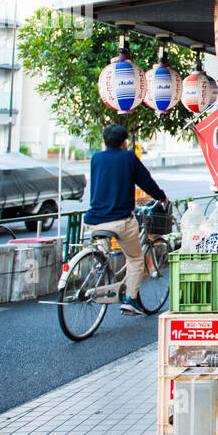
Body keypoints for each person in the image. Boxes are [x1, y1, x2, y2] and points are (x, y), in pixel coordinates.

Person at [84, 124, 168, 316]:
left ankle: (101, 271)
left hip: (93, 220)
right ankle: (130, 299)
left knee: (105, 252)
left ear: (105, 141)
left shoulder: (96, 158)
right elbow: (145, 181)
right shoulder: (128, 157)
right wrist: (161, 196)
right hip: (119, 220)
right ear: (124, 142)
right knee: (135, 259)